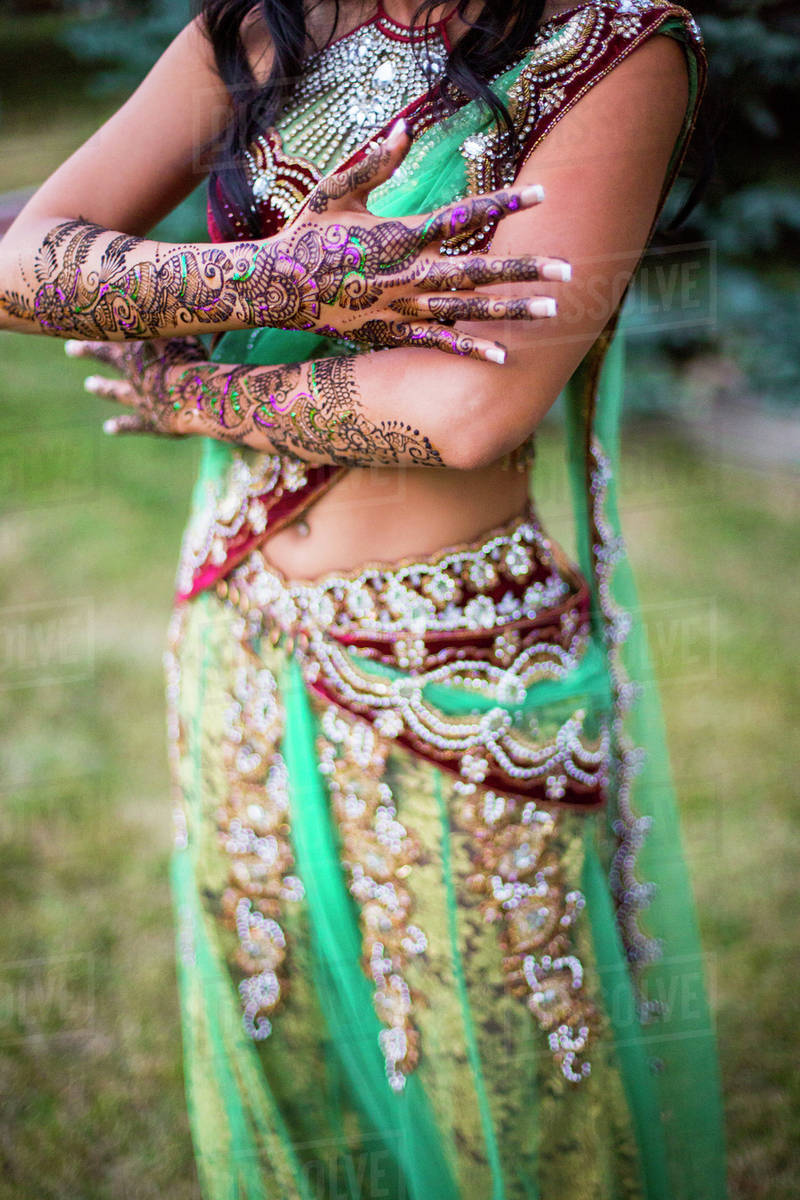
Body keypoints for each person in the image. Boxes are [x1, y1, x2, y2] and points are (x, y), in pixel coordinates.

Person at [0, 0, 728, 1196]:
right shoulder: (269, 23)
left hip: (453, 665)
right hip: (237, 627)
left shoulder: (612, 50)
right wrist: (271, 280)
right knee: (281, 1058)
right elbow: (29, 262)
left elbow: (467, 410)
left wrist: (196, 397)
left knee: (510, 1103)